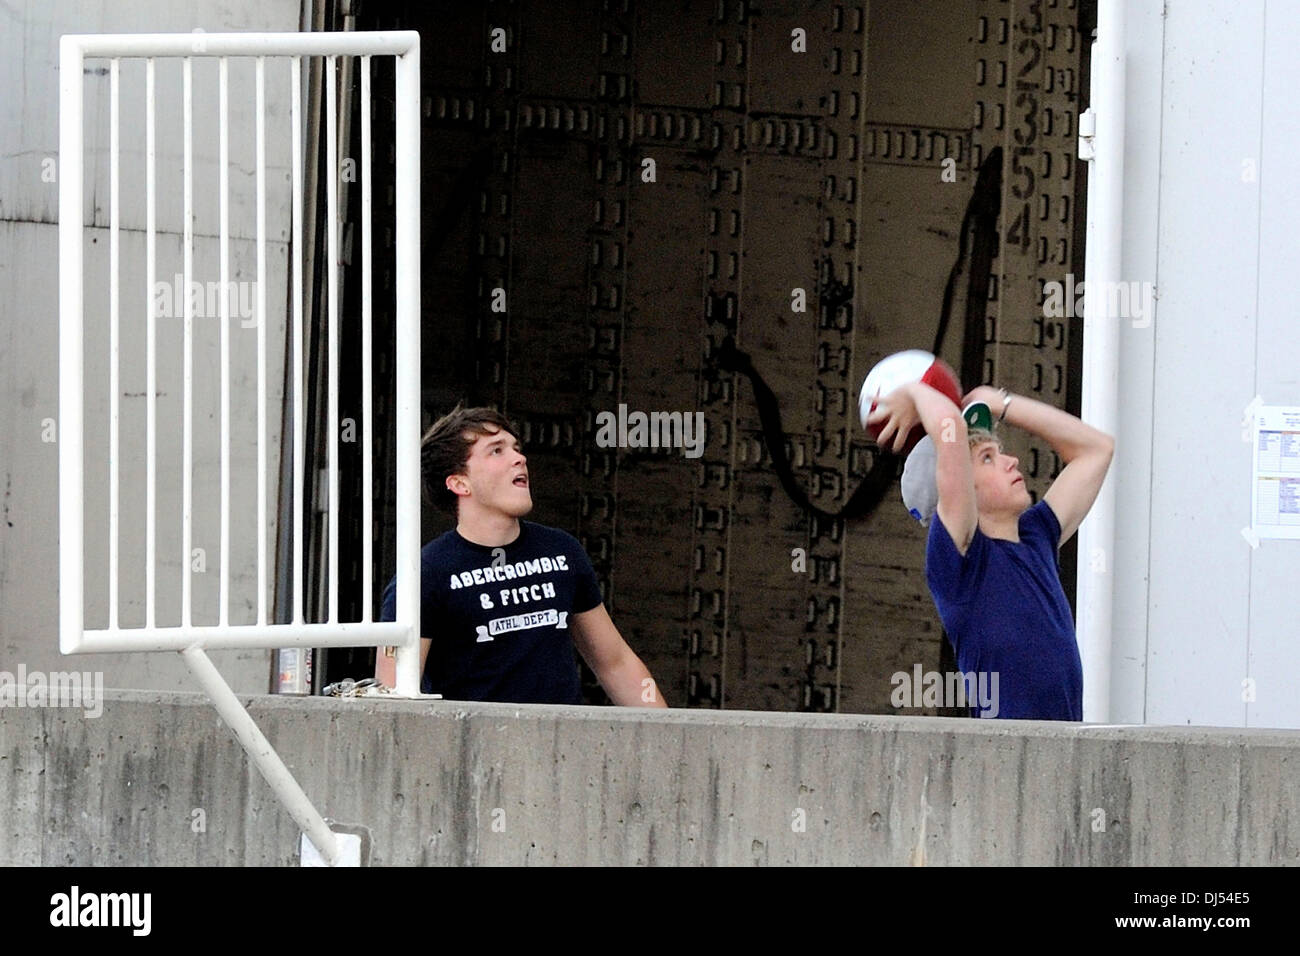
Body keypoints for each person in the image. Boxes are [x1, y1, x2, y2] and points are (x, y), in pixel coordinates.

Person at [376, 404, 667, 708]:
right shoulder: (425, 575)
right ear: (459, 483)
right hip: (477, 750)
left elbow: (616, 664)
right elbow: (391, 695)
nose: (520, 458)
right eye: (496, 451)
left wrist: (666, 737)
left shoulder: (563, 551)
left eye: (516, 447)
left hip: (563, 747)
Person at [866, 383, 1114, 720]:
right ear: (962, 488)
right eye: (987, 458)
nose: (1012, 461)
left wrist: (1004, 404)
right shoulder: (959, 564)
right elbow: (949, 435)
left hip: (1066, 754)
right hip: (1009, 760)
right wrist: (913, 389)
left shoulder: (1036, 536)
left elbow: (1097, 449)